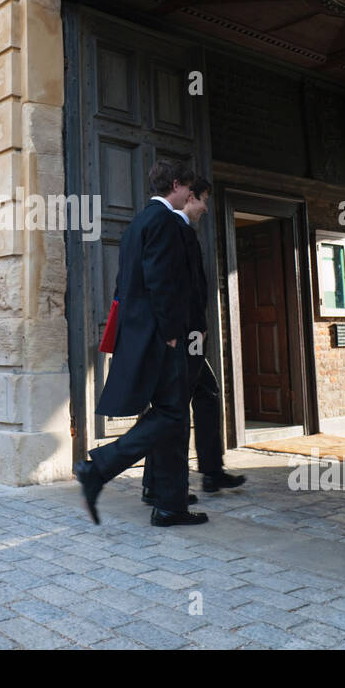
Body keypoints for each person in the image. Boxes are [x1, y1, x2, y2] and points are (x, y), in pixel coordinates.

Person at [75, 159, 207, 527]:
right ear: (176, 186)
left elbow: (123, 283)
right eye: (189, 190)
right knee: (173, 414)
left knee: (170, 414)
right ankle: (98, 468)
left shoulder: (137, 224)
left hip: (141, 336)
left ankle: (169, 504)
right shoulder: (165, 221)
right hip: (162, 338)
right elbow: (160, 282)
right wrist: (169, 333)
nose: (191, 196)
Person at [140, 177, 244, 505]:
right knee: (173, 408)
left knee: (206, 393)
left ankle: (211, 471)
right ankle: (159, 484)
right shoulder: (173, 228)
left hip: (191, 336)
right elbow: (169, 287)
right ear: (190, 197)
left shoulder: (183, 230)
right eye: (203, 200)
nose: (206, 208)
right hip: (183, 337)